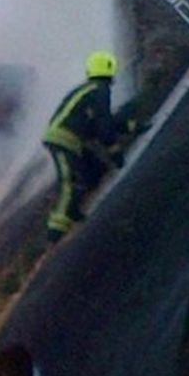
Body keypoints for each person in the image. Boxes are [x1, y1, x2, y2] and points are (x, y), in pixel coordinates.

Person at [42, 50, 146, 243]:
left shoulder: (89, 90)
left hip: (71, 138)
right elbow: (103, 125)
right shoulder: (99, 90)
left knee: (96, 170)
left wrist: (135, 127)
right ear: (109, 68)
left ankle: (73, 210)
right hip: (63, 139)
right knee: (69, 180)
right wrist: (114, 150)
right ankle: (54, 232)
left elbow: (104, 122)